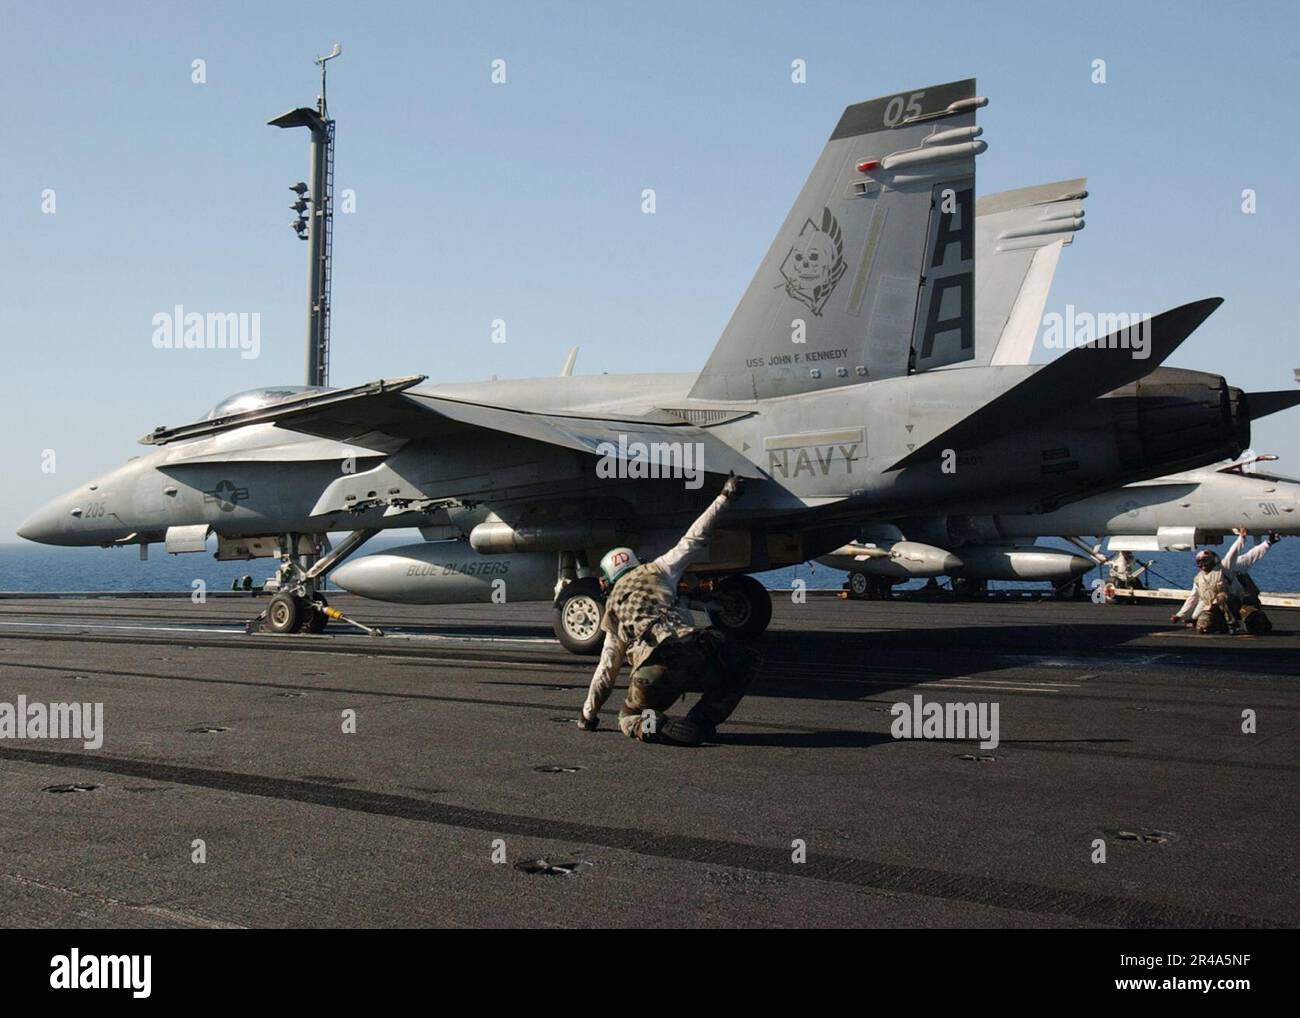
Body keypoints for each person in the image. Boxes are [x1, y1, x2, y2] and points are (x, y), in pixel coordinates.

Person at [578, 475, 762, 746]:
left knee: (629, 717)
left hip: (655, 670)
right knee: (746, 663)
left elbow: (606, 671)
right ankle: (702, 721)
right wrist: (725, 498)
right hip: (694, 650)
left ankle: (653, 725)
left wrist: (588, 715)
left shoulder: (613, 608)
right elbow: (694, 538)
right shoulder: (659, 569)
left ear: (610, 578)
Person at [1171, 528, 1278, 634]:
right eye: (1200, 562)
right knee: (1202, 626)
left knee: (1253, 625)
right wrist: (1180, 615)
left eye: (1205, 561)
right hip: (1215, 607)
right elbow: (1193, 597)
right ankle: (1222, 625)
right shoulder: (1199, 579)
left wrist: (1246, 539)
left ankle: (1238, 623)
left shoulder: (1226, 567)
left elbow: (1243, 553)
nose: (1203, 564)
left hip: (1238, 603)